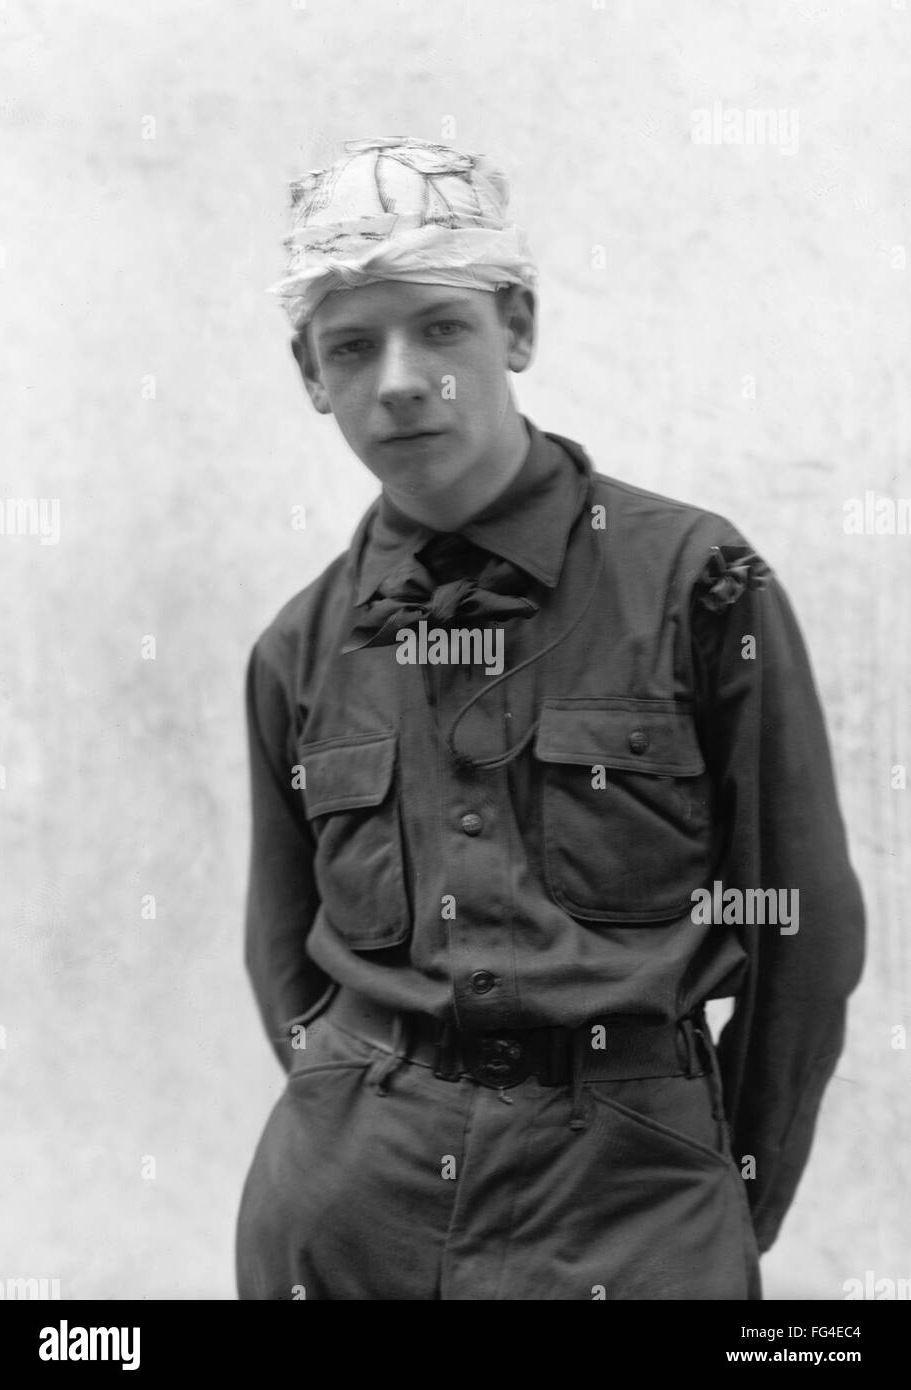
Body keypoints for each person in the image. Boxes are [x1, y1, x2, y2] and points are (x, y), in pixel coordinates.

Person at [235, 136, 865, 1301]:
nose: (399, 379)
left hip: (628, 1210)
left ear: (515, 327)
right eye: (351, 346)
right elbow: (281, 953)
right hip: (344, 1221)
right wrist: (345, 1118)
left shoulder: (696, 583)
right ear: (310, 375)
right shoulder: (299, 646)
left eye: (441, 327)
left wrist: (725, 1196)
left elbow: (805, 933)